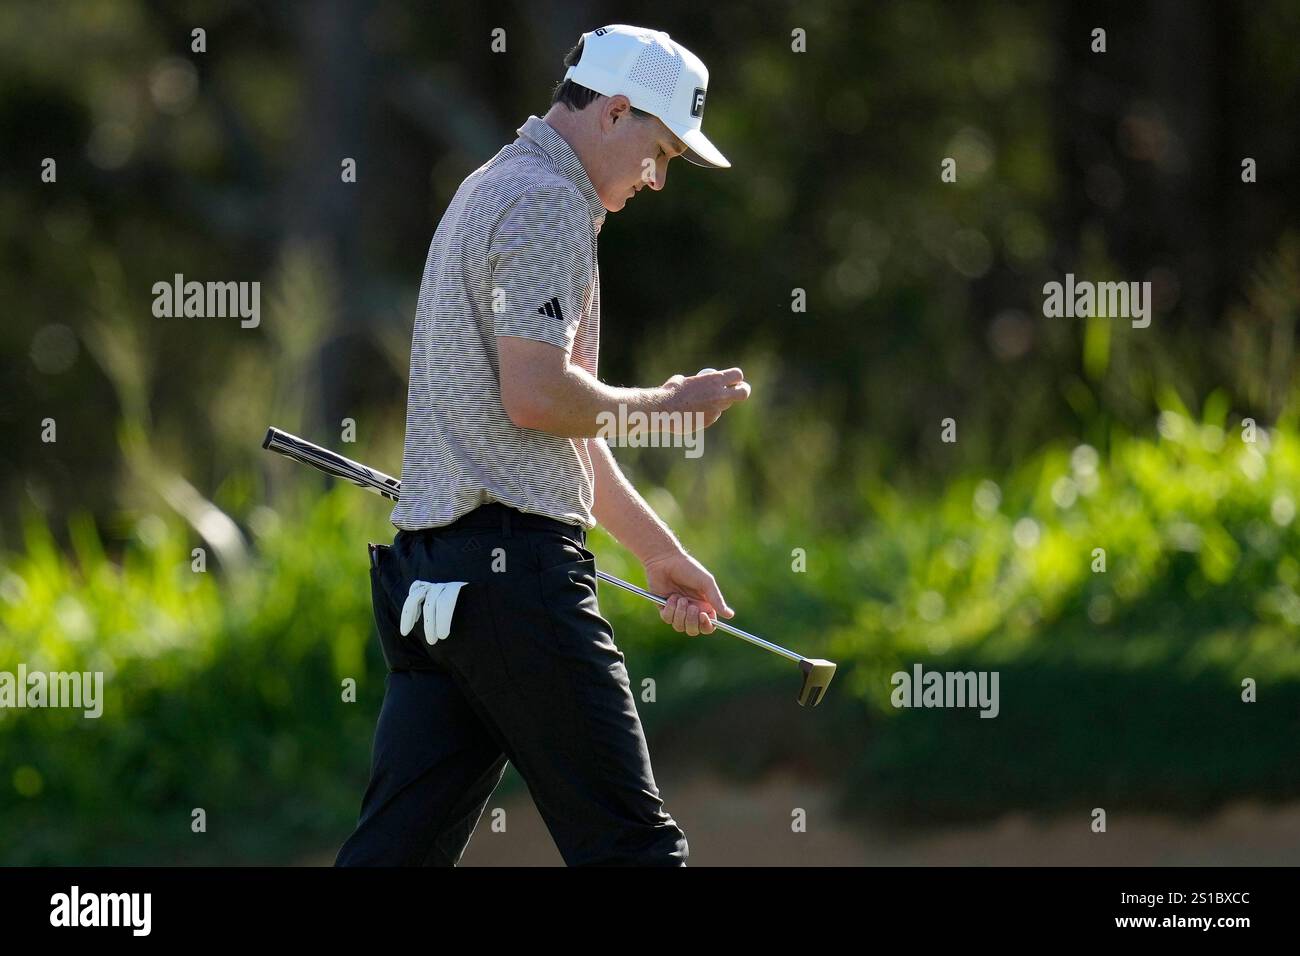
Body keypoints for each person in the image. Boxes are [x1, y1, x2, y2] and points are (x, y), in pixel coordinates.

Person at [335, 24, 748, 867]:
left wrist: (657, 551)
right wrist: (666, 407)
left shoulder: (494, 183)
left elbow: (559, 425)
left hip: (432, 586)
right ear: (616, 111)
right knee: (633, 851)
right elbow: (538, 398)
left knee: (392, 859)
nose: (658, 179)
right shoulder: (551, 201)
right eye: (659, 152)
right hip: (513, 585)